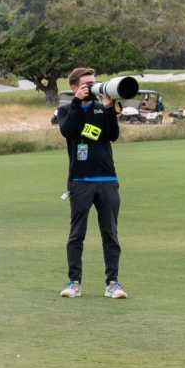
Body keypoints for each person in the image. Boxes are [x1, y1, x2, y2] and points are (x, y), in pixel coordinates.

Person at [58, 67, 127, 300]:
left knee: (110, 233)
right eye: (86, 83)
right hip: (80, 181)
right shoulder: (66, 109)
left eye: (94, 83)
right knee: (77, 234)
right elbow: (68, 130)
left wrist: (108, 108)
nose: (91, 86)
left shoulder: (102, 108)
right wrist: (77, 104)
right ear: (74, 86)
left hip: (107, 179)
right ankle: (74, 282)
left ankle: (113, 283)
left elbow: (112, 135)